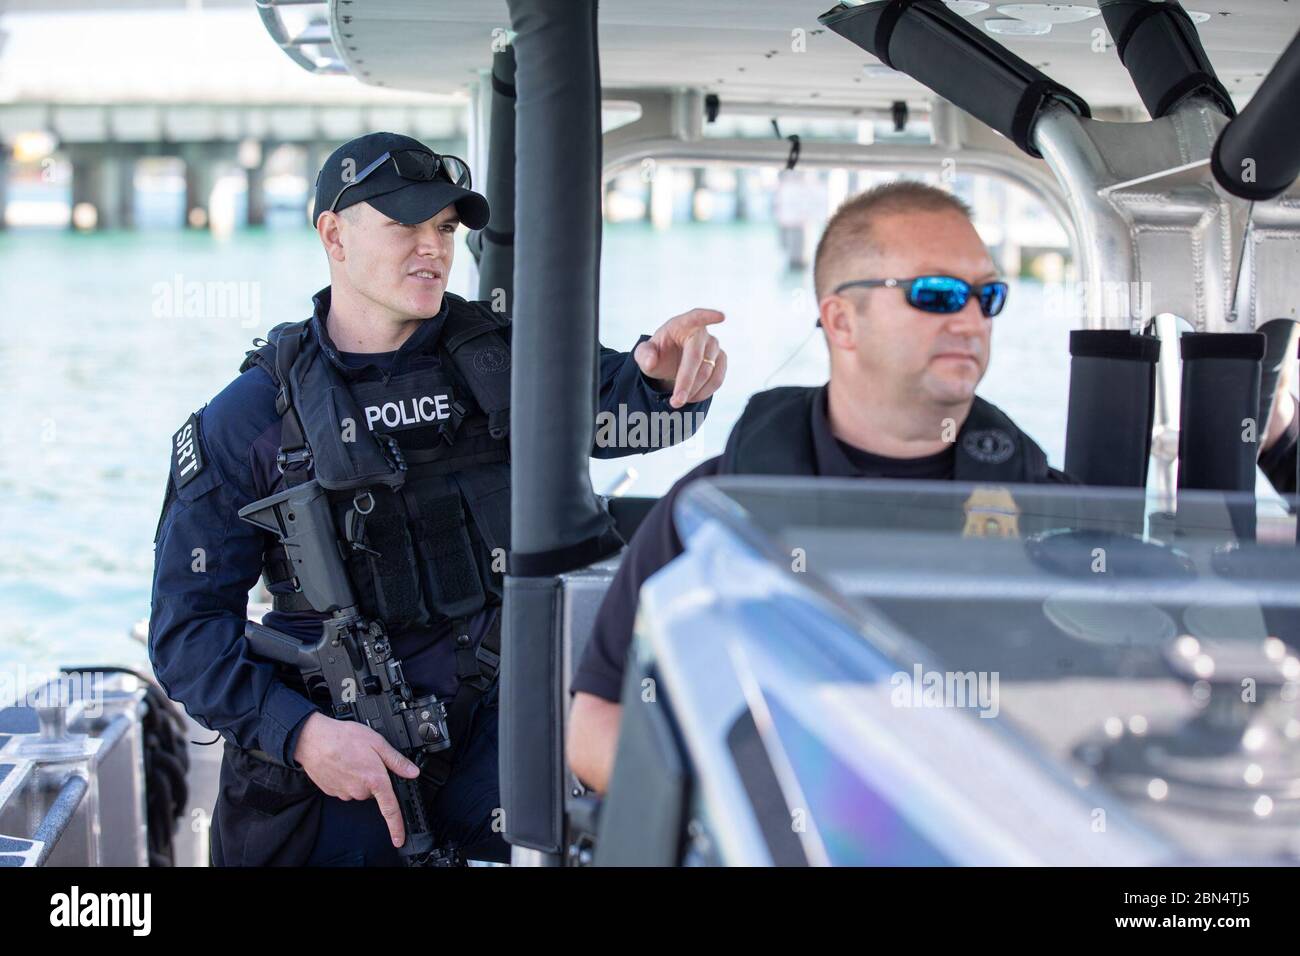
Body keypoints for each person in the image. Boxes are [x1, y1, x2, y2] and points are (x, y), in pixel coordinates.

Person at [566, 179, 1300, 793]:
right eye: (938, 294)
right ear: (841, 321)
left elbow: (1151, 712)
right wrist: (767, 800)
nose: (973, 319)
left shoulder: (1050, 510)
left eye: (988, 296)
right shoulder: (719, 506)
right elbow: (594, 722)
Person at [148, 132, 728, 866]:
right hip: (341, 769)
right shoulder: (251, 417)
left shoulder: (500, 358)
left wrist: (663, 373)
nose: (433, 248)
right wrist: (302, 735)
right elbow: (187, 629)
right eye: (404, 226)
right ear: (333, 233)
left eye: (446, 229)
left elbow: (625, 410)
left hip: (498, 751)